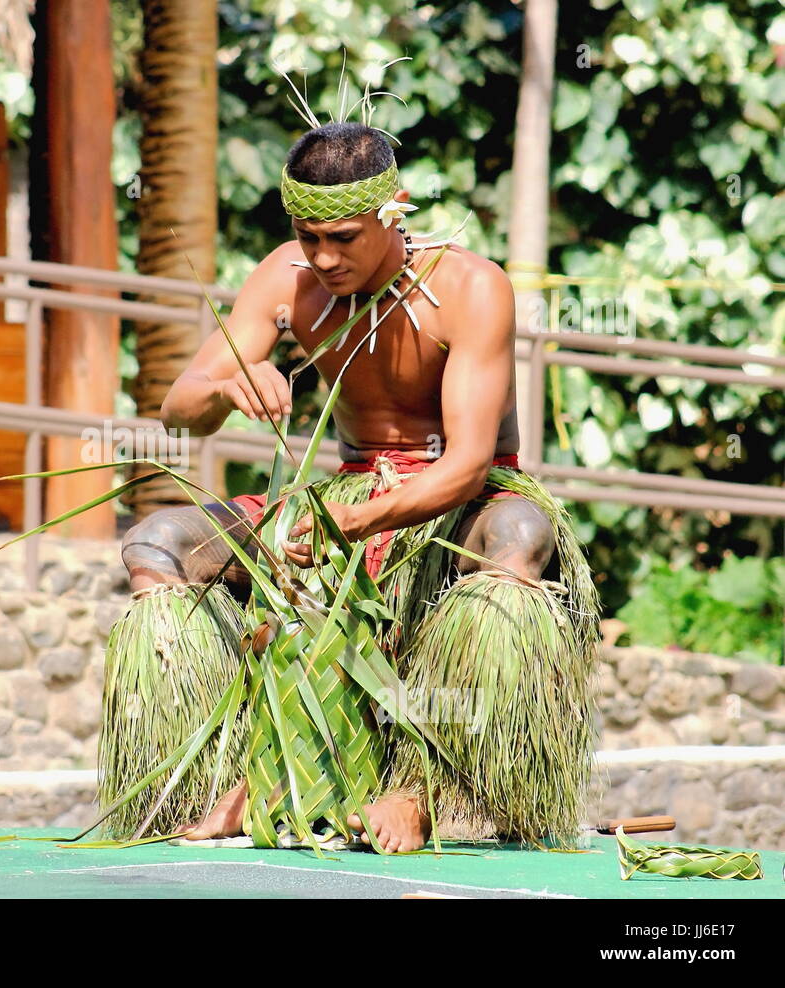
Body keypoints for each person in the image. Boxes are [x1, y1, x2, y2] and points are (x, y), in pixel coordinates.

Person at [115, 121, 599, 853]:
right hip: (346, 489)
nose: (324, 257)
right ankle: (243, 769)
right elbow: (180, 411)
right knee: (156, 543)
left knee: (520, 540)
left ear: (393, 209)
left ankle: (421, 791)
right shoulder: (288, 279)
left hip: (463, 502)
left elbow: (467, 463)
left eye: (343, 237)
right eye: (308, 236)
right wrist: (229, 383)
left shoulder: (472, 288)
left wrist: (364, 525)